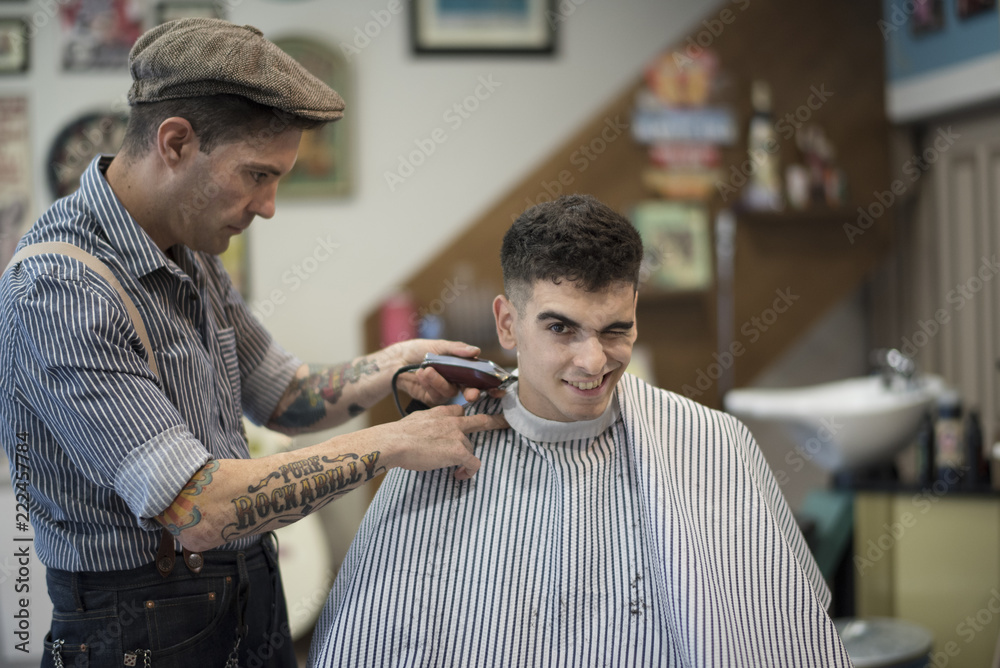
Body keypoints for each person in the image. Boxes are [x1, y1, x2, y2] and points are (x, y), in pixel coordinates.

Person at [0, 18, 505, 668]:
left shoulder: (190, 246)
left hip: (249, 592)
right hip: (141, 626)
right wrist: (395, 442)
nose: (268, 206)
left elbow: (284, 395)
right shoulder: (57, 287)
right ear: (176, 142)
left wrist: (396, 366)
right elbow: (199, 508)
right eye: (257, 175)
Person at [307, 194, 852, 667]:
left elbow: (782, 638)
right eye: (561, 328)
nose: (593, 362)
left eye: (616, 330)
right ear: (507, 324)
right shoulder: (440, 454)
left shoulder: (712, 446)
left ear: (636, 311)